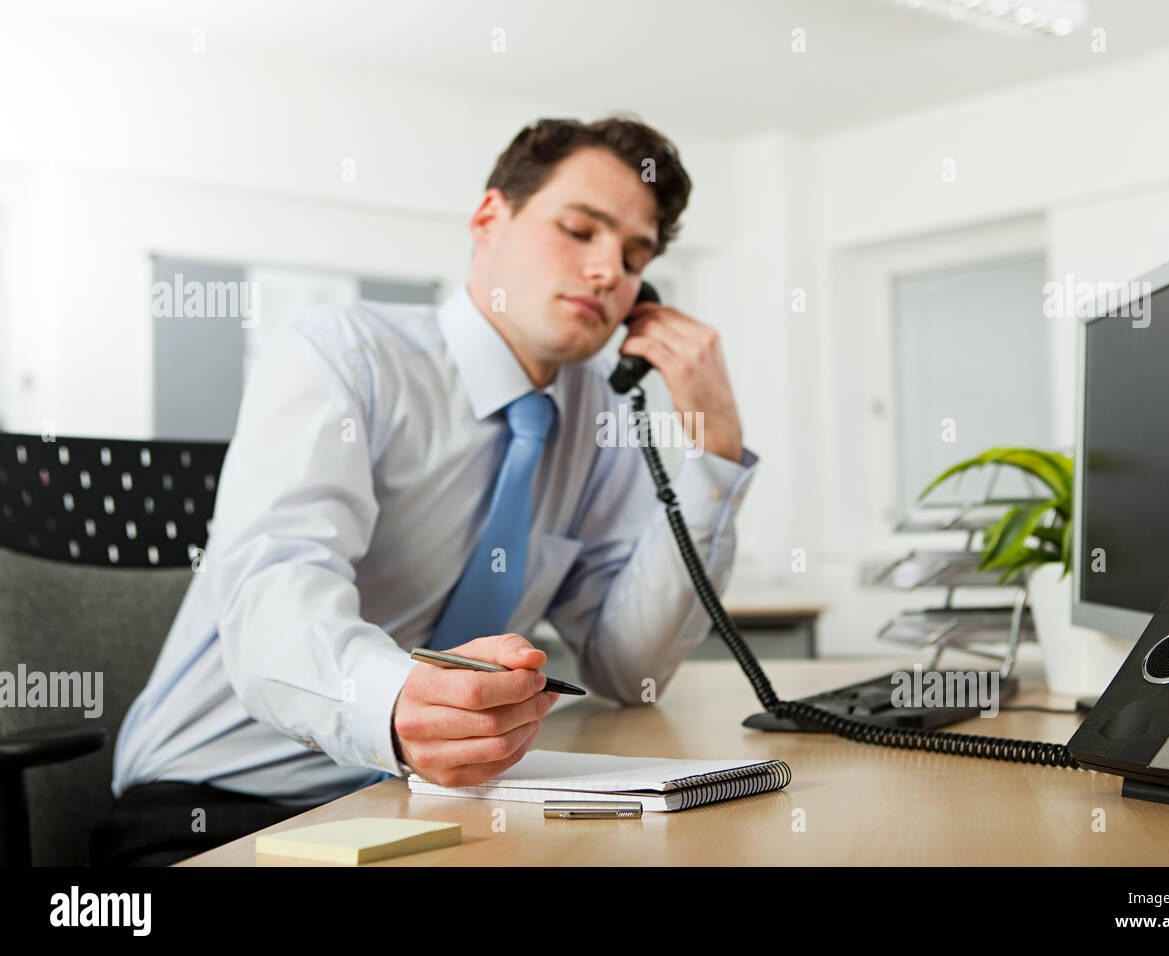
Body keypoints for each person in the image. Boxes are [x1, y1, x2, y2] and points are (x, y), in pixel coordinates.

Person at [91, 115, 759, 865]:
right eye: (579, 230)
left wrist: (714, 444)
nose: (610, 272)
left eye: (636, 257)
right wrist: (391, 703)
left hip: (427, 803)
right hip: (221, 803)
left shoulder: (595, 418)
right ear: (488, 218)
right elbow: (278, 586)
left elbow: (627, 669)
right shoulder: (341, 356)